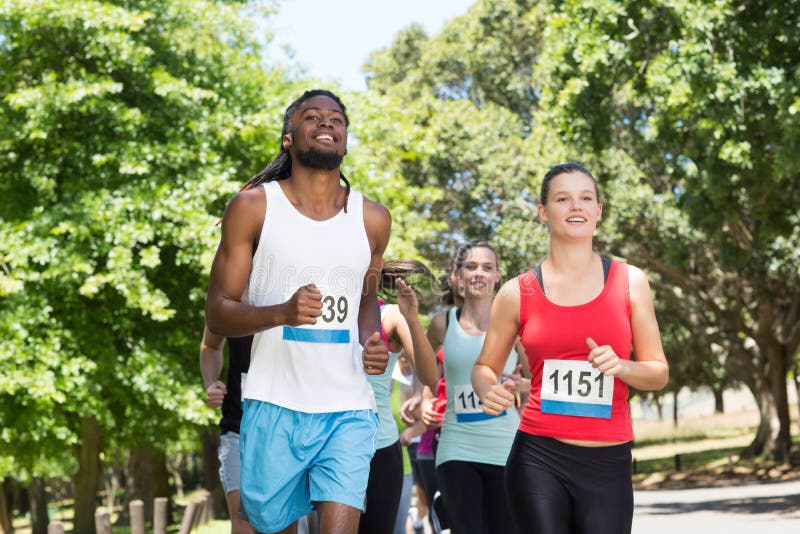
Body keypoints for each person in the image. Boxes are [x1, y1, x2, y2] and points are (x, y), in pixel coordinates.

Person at [205, 89, 391, 534]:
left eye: (336, 119)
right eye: (313, 116)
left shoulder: (373, 218)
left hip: (348, 408)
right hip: (274, 405)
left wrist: (372, 341)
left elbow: (366, 300)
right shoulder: (253, 208)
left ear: (345, 141)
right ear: (288, 138)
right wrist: (281, 313)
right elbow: (218, 313)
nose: (327, 123)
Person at [472, 162, 669, 534]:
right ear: (543, 212)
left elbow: (658, 372)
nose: (576, 206)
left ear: (598, 211)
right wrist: (488, 389)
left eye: (586, 198)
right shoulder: (516, 292)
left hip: (608, 461)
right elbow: (485, 367)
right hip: (538, 456)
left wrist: (622, 366)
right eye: (563, 199)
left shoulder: (631, 281)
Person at [397, 240, 527, 534]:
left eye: (487, 267)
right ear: (457, 276)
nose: (479, 273)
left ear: (497, 276)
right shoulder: (442, 323)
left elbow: (537, 380)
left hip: (505, 448)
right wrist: (422, 397)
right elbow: (425, 370)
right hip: (456, 446)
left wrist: (523, 385)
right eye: (471, 267)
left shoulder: (515, 324)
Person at [359, 260, 437, 534]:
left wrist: (412, 319)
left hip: (378, 447)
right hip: (325, 444)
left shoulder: (391, 315)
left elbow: (429, 375)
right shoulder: (323, 312)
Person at [199, 328, 255, 534]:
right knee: (244, 526)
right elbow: (210, 345)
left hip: (295, 430)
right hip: (239, 429)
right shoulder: (231, 305)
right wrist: (211, 382)